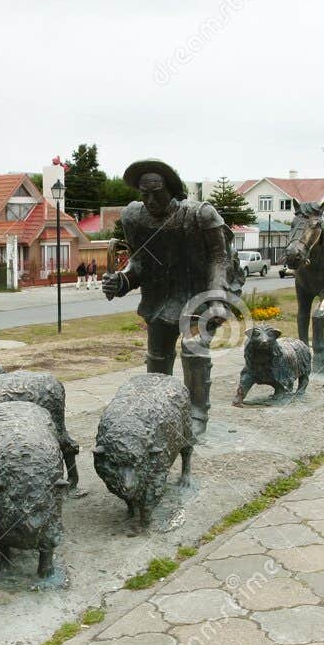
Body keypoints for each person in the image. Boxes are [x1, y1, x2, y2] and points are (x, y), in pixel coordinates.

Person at [102, 158, 240, 437]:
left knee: (194, 349)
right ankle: (158, 408)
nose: (151, 200)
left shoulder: (201, 215)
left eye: (157, 193)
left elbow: (219, 257)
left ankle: (197, 413)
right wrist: (123, 280)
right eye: (145, 194)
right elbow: (138, 263)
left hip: (197, 295)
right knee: (157, 357)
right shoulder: (133, 218)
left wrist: (215, 297)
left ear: (172, 189)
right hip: (160, 300)